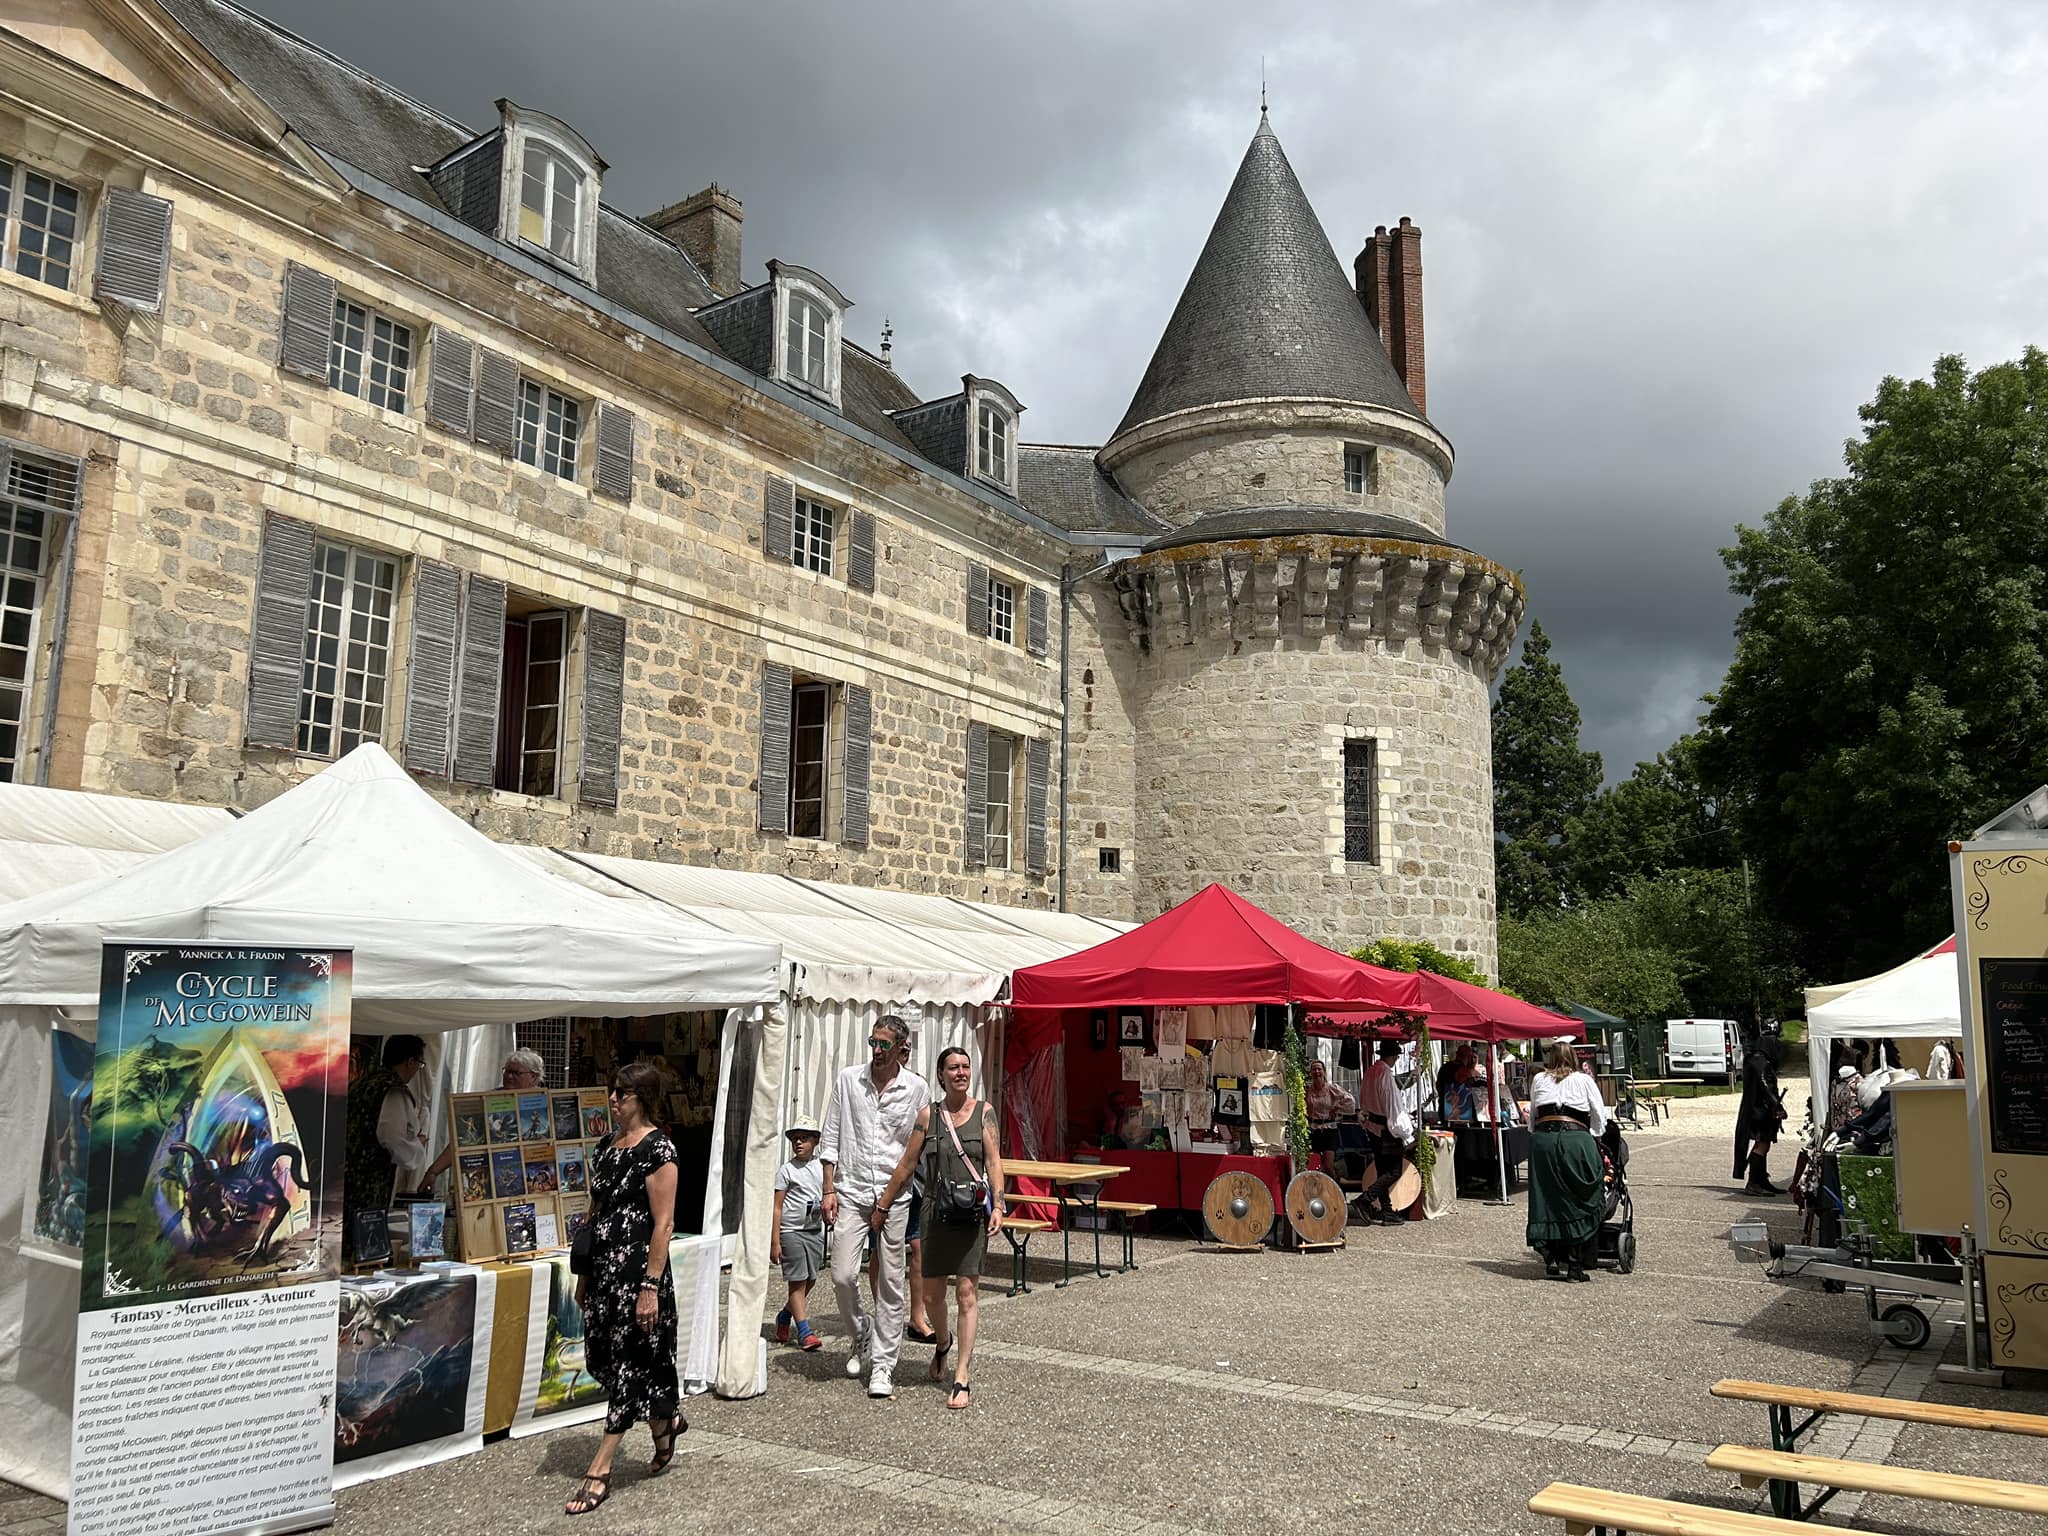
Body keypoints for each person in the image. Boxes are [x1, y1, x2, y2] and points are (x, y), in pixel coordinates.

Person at [565, 1062, 682, 1515]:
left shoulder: (660, 1150)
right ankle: (665, 1417)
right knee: (605, 1359)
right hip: (604, 1273)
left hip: (638, 1274)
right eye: (612, 1092)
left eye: (623, 1094)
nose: (613, 1100)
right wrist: (583, 1276)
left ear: (644, 1098)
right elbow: (593, 1216)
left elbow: (664, 1223)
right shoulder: (606, 1147)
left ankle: (600, 1469)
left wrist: (650, 1287)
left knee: (632, 1363)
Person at [874, 1045, 1003, 1409]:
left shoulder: (985, 1113)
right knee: (932, 1295)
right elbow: (906, 1164)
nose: (960, 1072)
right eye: (953, 1068)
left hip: (971, 1214)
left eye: (965, 1066)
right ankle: (943, 1341)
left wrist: (1000, 1204)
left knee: (966, 1292)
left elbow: (994, 1162)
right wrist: (883, 1203)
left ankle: (962, 1374)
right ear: (941, 1075)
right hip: (934, 1212)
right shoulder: (928, 1116)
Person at [820, 1015, 928, 1399]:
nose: (877, 1051)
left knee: (890, 1281)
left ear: (902, 1047)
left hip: (894, 1193)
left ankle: (883, 1364)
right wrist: (828, 1188)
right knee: (842, 1274)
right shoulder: (850, 1080)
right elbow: (831, 1133)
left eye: (885, 1044)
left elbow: (915, 1149)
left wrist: (891, 1197)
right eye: (873, 1042)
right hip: (851, 1190)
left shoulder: (917, 1089)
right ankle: (861, 1332)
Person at [870, 1037, 936, 1345]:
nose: (905, 1054)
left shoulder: (917, 1086)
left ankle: (916, 1316)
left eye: (908, 1049)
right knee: (880, 1252)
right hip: (880, 1180)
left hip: (914, 1179)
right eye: (901, 1048)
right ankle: (881, 1313)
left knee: (918, 1248)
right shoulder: (870, 1083)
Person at [1526, 1040, 1609, 1281]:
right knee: (1580, 1195)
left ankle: (1551, 1254)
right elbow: (1599, 1116)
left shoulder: (1539, 1079)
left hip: (1542, 1141)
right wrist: (1593, 1136)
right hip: (1574, 1138)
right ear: (1573, 1058)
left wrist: (1538, 1134)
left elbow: (1533, 1115)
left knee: (1547, 1196)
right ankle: (1574, 1263)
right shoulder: (1583, 1080)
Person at [374, 1035, 451, 1198]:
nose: (418, 1069)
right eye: (420, 1064)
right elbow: (392, 1138)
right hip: (371, 1178)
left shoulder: (364, 1082)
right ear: (410, 1062)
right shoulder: (394, 1091)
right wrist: (416, 1145)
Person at [772, 1121, 826, 1351]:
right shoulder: (787, 1170)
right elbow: (777, 1206)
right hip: (791, 1231)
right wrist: (775, 1240)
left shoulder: (822, 1167)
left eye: (804, 1138)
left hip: (814, 1230)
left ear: (815, 1141)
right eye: (795, 1138)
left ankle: (785, 1314)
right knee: (797, 1281)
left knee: (810, 1279)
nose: (799, 1143)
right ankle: (804, 1331)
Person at [1357, 1040, 1412, 1225]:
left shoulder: (1371, 1071)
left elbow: (1363, 1099)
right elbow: (1393, 1107)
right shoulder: (1385, 1075)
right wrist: (1403, 1131)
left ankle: (1387, 1211)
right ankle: (1364, 1200)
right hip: (1386, 1129)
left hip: (1373, 1126)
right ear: (1395, 1056)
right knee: (1394, 1171)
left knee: (1383, 1170)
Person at [1733, 1036, 1787, 1195]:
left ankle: (1761, 1179)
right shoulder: (1761, 1062)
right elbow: (1766, 1086)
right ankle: (1754, 1182)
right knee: (1762, 1144)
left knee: (1765, 1143)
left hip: (1758, 1108)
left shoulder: (1755, 1060)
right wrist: (1776, 1105)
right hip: (1761, 1111)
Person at [1305, 1059, 1364, 1178]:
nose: (1317, 1072)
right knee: (1314, 1164)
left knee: (1328, 1165)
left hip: (1328, 1129)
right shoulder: (1308, 1090)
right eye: (1314, 1069)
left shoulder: (1332, 1088)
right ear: (1311, 1073)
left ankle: (1336, 1189)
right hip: (1313, 1129)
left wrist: (1337, 1108)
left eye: (1319, 1069)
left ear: (1324, 1072)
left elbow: (1350, 1101)